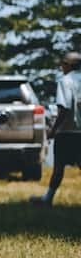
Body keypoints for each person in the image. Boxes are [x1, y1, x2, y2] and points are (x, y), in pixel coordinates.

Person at [31, 50, 81, 206]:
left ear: (68, 65)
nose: (61, 66)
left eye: (62, 63)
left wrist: (53, 130)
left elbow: (64, 109)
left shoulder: (65, 81)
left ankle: (48, 198)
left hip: (67, 132)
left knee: (59, 167)